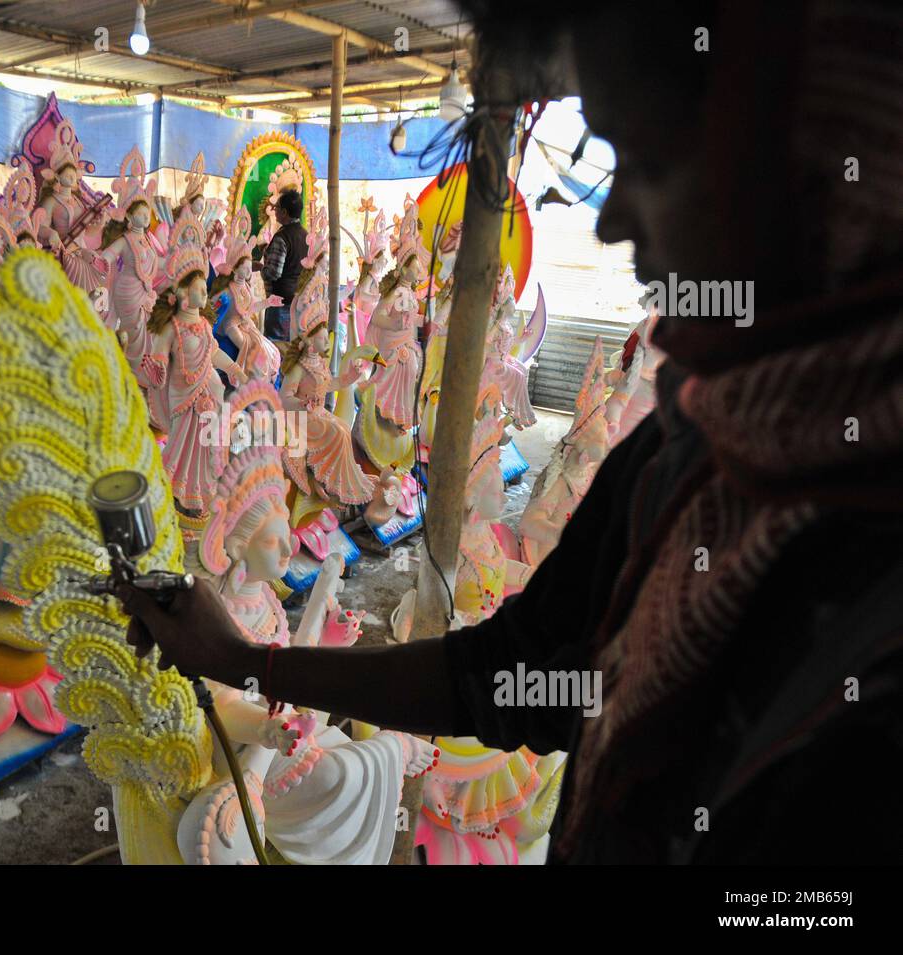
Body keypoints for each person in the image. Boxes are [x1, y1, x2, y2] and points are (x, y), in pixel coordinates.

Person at [115, 0, 903, 864]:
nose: (613, 220)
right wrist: (248, 660)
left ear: (828, 149)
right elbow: (510, 674)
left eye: (655, 156)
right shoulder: (680, 449)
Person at [253, 190, 307, 341]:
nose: (274, 211)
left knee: (277, 349)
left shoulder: (282, 237)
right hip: (299, 303)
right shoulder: (305, 235)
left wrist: (260, 267)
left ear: (284, 212)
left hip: (280, 304)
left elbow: (273, 273)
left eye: (276, 208)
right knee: (293, 350)